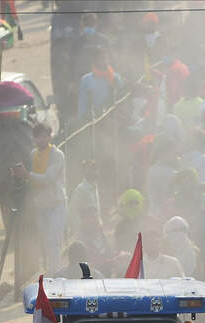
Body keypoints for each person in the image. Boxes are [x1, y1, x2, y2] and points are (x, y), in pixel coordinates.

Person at [12, 123, 66, 274]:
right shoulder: (33, 154)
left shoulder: (57, 154)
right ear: (34, 138)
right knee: (44, 243)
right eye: (38, 137)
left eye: (44, 136)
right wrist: (21, 176)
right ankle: (51, 272)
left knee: (53, 242)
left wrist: (27, 175)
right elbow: (33, 179)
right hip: (41, 205)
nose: (41, 139)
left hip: (57, 204)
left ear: (49, 137)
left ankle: (54, 276)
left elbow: (48, 178)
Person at [78, 46, 124, 122]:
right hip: (94, 119)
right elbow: (83, 103)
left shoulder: (115, 77)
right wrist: (82, 120)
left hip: (113, 119)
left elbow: (122, 98)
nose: (104, 61)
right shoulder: (86, 79)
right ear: (95, 61)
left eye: (106, 58)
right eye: (101, 59)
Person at [68, 159, 101, 244]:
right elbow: (72, 210)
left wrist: (99, 223)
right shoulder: (81, 189)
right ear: (84, 172)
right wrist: (80, 228)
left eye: (95, 169)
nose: (94, 171)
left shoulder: (94, 187)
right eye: (91, 169)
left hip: (95, 230)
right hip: (85, 233)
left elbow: (96, 210)